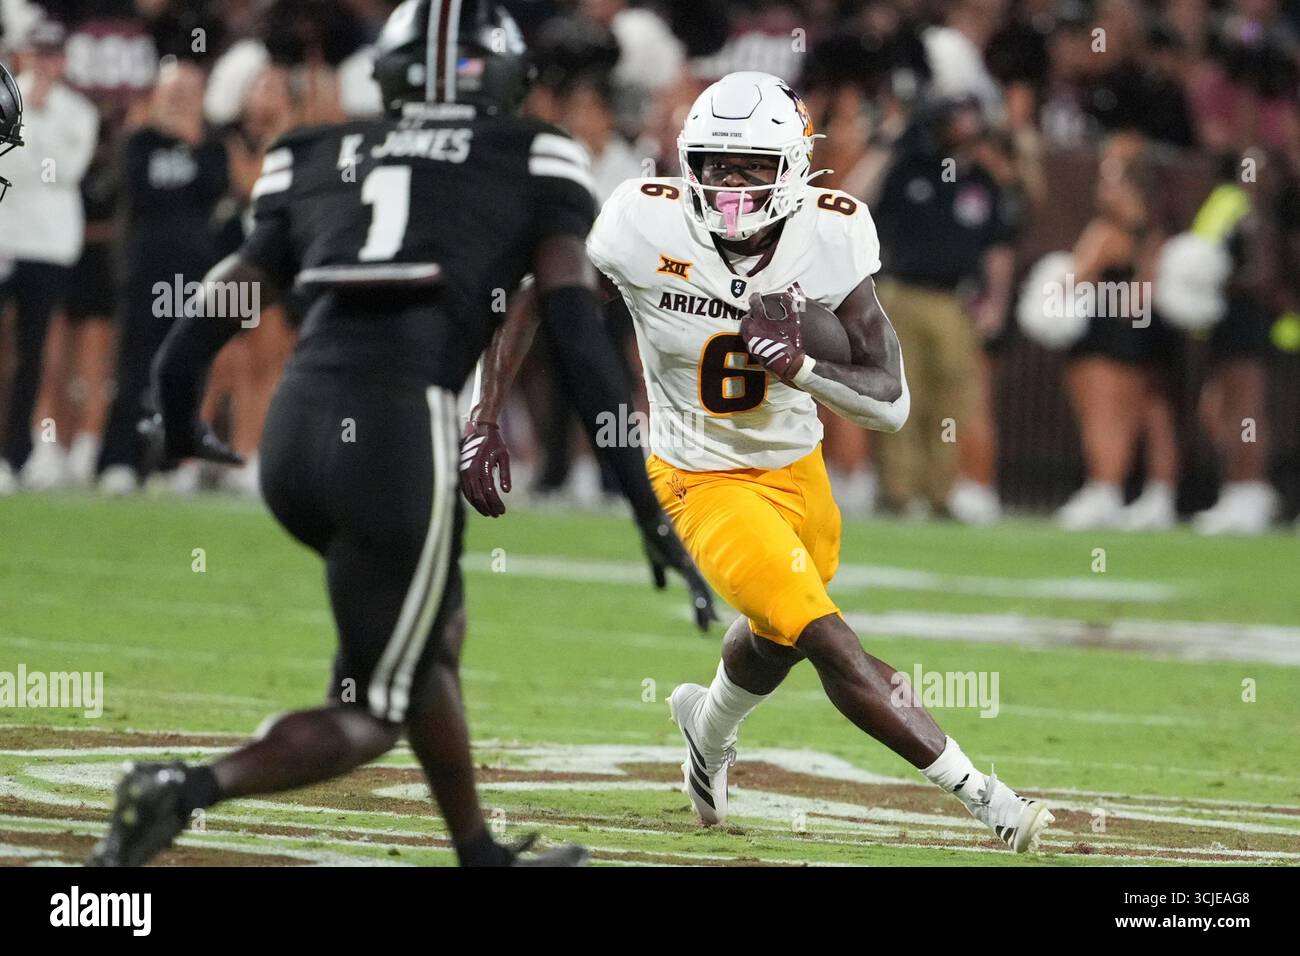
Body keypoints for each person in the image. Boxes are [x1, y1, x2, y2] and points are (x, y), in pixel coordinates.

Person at [90, 0, 711, 869]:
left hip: (297, 428)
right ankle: (183, 790)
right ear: (502, 76)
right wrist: (647, 507)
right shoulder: (534, 154)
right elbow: (575, 336)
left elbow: (229, 288)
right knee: (371, 705)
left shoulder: (320, 148)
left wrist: (175, 402)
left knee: (427, 637)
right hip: (395, 431)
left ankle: (478, 852)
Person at [465, 71, 1054, 853]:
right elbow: (541, 291)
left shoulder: (832, 231)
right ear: (687, 163)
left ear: (793, 169)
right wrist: (483, 415)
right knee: (826, 638)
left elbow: (890, 400)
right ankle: (989, 801)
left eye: (749, 166)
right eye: (713, 163)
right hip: (700, 475)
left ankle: (706, 733)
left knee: (774, 635)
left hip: (797, 466)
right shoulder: (644, 222)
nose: (728, 183)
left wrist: (801, 367)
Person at [95, 58, 229, 494]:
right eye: (173, 94)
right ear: (156, 96)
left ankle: (170, 464)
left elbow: (215, 188)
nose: (179, 102)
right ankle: (118, 460)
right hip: (145, 272)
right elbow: (138, 191)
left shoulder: (210, 145)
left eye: (188, 95)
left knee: (184, 370)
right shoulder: (138, 142)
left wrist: (193, 141)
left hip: (193, 275)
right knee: (135, 368)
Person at [0, 20, 98, 493]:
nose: (44, 64)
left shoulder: (79, 111)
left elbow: (65, 171)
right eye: (37, 54)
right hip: (4, 237)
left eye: (52, 55)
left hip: (50, 245)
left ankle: (17, 453)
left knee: (34, 352)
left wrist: (33, 118)